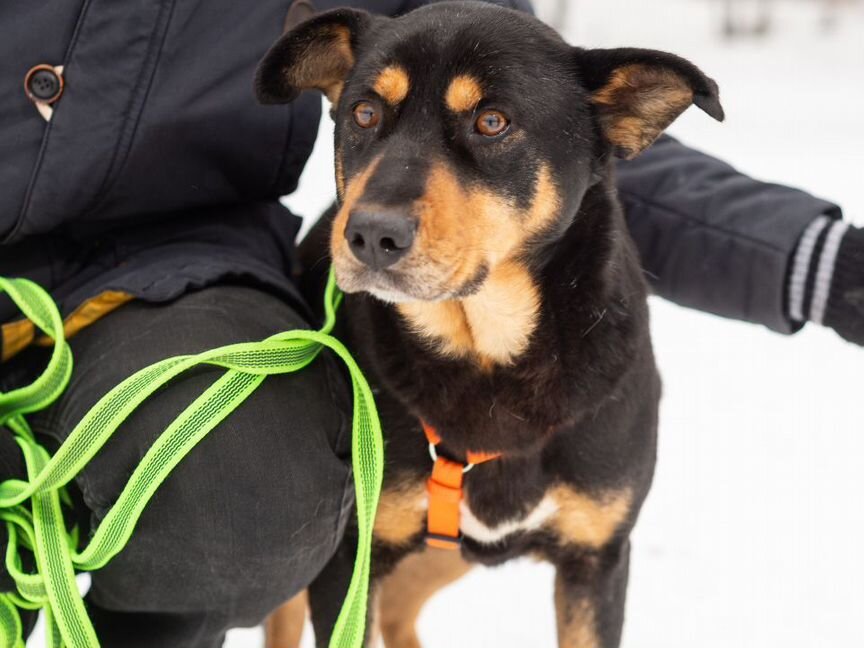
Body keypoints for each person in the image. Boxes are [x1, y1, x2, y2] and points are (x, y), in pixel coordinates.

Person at [0, 0, 861, 646]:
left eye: (487, 124)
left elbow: (587, 132)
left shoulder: (576, 121)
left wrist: (826, 265)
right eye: (367, 117)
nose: (381, 211)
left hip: (172, 267)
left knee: (233, 484)